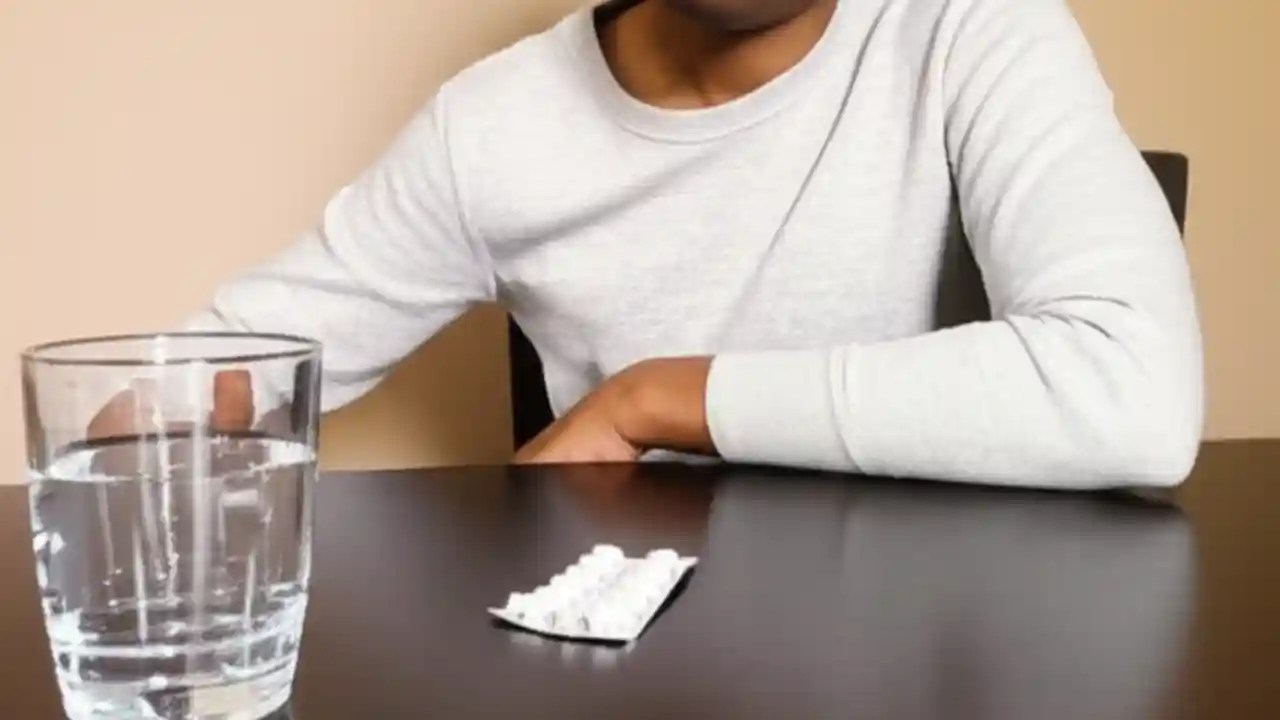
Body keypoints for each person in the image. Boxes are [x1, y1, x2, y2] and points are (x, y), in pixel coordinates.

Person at [142, 0, 1206, 487]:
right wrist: (138, 436)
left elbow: (1132, 395)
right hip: (635, 651)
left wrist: (653, 399)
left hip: (960, 644)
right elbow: (232, 364)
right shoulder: (494, 126)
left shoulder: (975, 29)